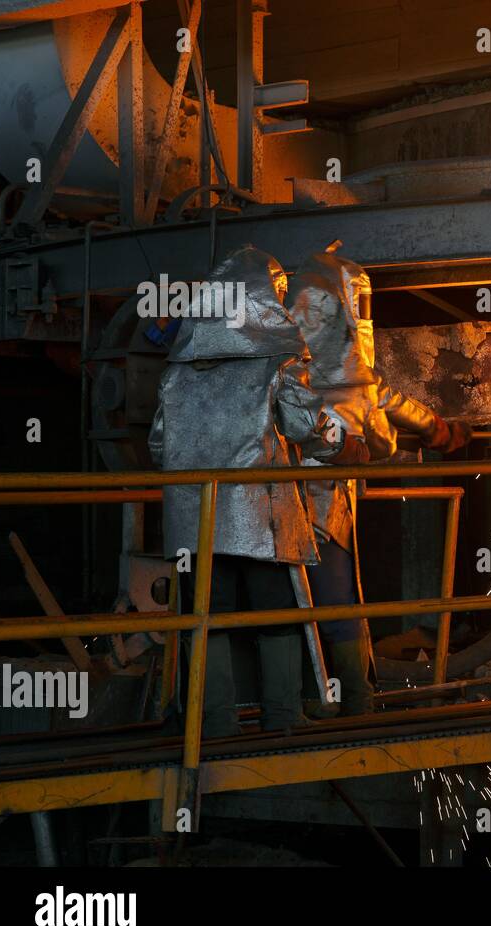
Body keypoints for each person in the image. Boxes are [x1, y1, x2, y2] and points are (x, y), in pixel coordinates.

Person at [149, 245, 367, 737]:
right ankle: (283, 719)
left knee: (209, 619)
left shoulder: (177, 374)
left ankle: (217, 725)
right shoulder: (276, 366)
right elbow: (307, 426)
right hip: (261, 521)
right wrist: (348, 449)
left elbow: (159, 445)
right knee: (277, 616)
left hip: (194, 525)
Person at [288, 243, 470, 716]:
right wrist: (437, 432)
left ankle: (300, 704)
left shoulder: (288, 375)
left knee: (290, 606)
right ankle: (357, 703)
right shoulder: (356, 386)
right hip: (326, 511)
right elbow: (384, 437)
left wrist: (426, 429)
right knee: (338, 603)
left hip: (273, 510)